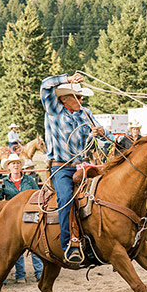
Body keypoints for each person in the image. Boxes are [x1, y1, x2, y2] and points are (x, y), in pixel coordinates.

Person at [41, 71, 115, 265]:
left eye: (82, 97)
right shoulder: (54, 110)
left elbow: (103, 134)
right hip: (61, 167)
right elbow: (45, 85)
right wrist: (67, 79)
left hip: (83, 166)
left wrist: (102, 132)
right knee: (65, 198)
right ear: (65, 99)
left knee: (107, 190)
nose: (82, 100)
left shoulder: (86, 113)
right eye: (79, 97)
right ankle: (69, 244)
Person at [0, 153, 43, 283]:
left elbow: (38, 194)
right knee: (16, 246)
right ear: (9, 167)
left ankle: (39, 273)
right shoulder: (4, 182)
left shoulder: (29, 180)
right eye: (13, 164)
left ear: (21, 166)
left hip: (30, 213)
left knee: (35, 243)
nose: (16, 165)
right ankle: (20, 275)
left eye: (17, 163)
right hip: (13, 218)